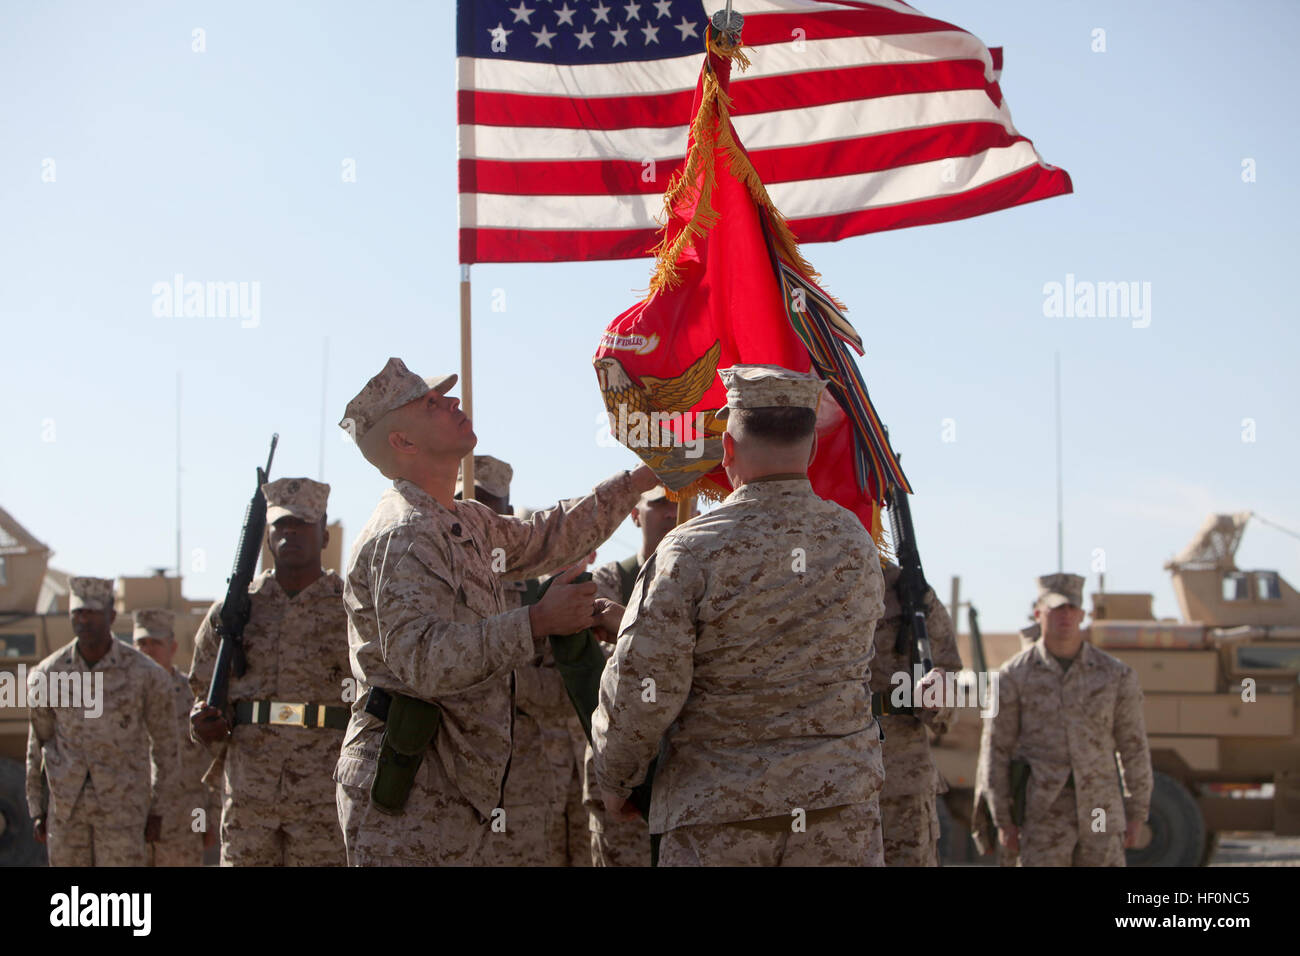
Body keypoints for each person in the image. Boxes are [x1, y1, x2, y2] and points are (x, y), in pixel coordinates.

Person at [333, 357, 656, 866]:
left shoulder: (463, 521)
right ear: (403, 442)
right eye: (432, 404)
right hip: (411, 791)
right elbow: (424, 659)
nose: (455, 403)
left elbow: (548, 536)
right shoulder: (404, 535)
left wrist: (640, 479)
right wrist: (537, 621)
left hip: (455, 786)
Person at [592, 364, 887, 867]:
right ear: (812, 448)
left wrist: (617, 779)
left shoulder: (689, 550)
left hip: (718, 822)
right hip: (839, 818)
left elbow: (644, 686)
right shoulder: (855, 542)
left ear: (727, 449)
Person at [189, 477, 351, 866]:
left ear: (324, 536)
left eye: (302, 524)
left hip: (324, 790)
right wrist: (201, 721)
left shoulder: (351, 610)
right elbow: (200, 687)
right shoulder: (234, 611)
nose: (289, 533)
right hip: (250, 792)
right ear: (266, 537)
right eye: (280, 525)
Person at [459, 454, 589, 867]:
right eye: (463, 505)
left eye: (486, 508)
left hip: (519, 792)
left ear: (509, 516)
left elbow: (566, 691)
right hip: (441, 783)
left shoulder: (542, 593)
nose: (473, 522)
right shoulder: (429, 585)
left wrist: (504, 682)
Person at [975, 573, 1153, 866]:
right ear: (1038, 612)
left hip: (1101, 812)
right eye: (1056, 608)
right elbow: (995, 750)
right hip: (1041, 816)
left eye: (1072, 608)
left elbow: (1133, 747)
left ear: (1082, 614)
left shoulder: (1115, 675)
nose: (1065, 615)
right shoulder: (1013, 676)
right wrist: (1003, 819)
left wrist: (1137, 813)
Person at [25, 576, 180, 866]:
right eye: (77, 612)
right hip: (66, 812)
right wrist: (37, 808)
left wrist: (159, 810)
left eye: (91, 612)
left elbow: (167, 748)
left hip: (123, 810)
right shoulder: (48, 674)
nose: (83, 619)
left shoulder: (145, 674)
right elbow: (39, 743)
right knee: (72, 904)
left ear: (110, 615)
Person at [584, 486, 683, 866]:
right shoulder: (611, 577)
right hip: (620, 772)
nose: (672, 513)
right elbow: (610, 666)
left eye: (678, 503)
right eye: (659, 504)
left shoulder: (695, 581)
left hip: (681, 769)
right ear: (636, 514)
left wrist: (626, 622)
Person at [870, 562, 963, 866]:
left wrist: (939, 696)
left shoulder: (908, 588)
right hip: (813, 784)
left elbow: (948, 675)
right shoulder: (799, 577)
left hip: (899, 787)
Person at [133, 608, 218, 866]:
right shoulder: (119, 696)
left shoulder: (195, 697)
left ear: (172, 647)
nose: (147, 650)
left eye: (155, 643)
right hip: (133, 818)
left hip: (184, 821)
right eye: (141, 643)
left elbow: (212, 759)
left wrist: (209, 820)